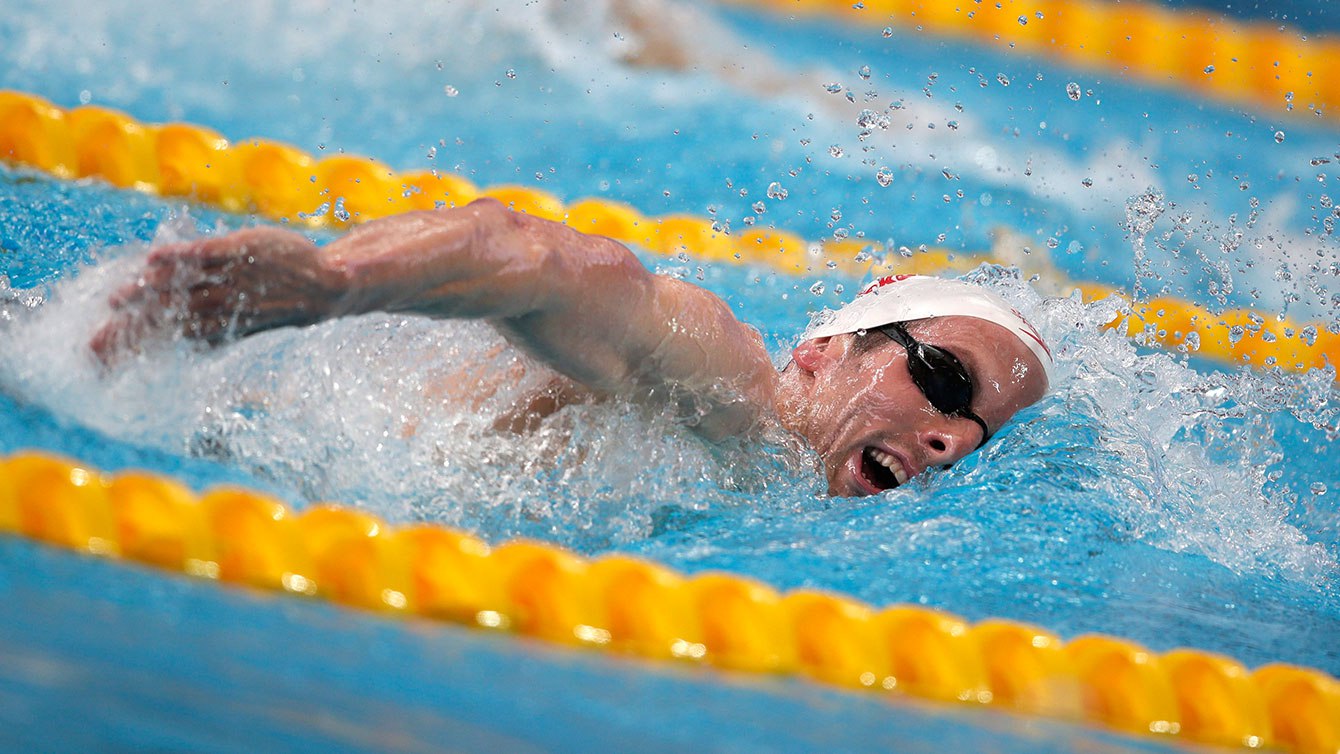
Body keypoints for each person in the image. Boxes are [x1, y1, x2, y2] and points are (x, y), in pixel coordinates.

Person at [90, 198, 1052, 497]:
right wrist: (330, 284)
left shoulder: (775, 481)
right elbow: (540, 257)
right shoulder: (725, 384)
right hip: (231, 434)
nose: (950, 441)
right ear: (826, 347)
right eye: (940, 378)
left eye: (976, 431)